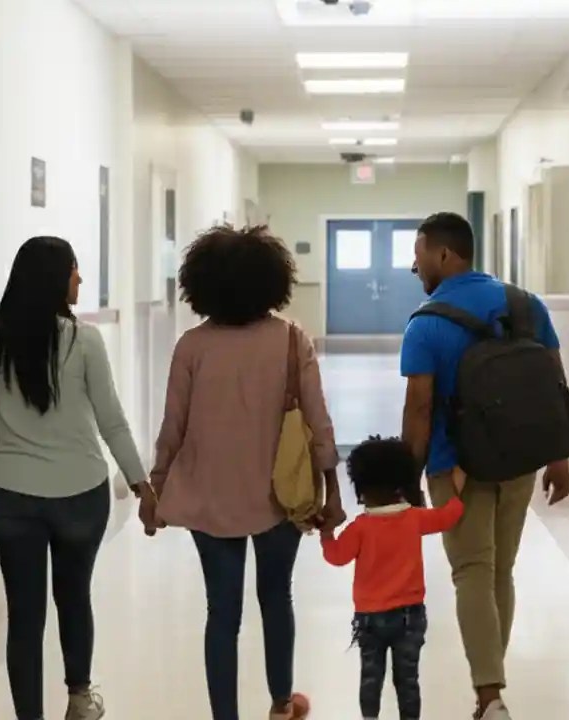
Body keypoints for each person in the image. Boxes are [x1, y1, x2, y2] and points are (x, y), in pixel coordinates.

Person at [147, 224, 344, 720]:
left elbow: (173, 424)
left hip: (208, 494)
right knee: (277, 597)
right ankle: (282, 703)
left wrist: (157, 484)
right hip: (281, 492)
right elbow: (318, 419)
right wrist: (334, 491)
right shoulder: (291, 339)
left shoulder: (191, 346)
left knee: (222, 613)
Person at [0, 236, 155, 720]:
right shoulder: (84, 340)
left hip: (9, 497)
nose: (80, 279)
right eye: (74, 270)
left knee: (23, 616)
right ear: (56, 278)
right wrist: (140, 482)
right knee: (74, 597)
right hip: (79, 494)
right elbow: (112, 419)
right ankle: (79, 699)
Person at [400, 212, 569, 720]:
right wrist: (558, 456)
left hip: (456, 467)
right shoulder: (525, 304)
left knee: (471, 570)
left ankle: (489, 696)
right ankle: (491, 688)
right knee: (501, 569)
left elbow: (419, 408)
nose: (415, 265)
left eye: (420, 253)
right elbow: (553, 385)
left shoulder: (427, 322)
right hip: (519, 458)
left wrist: (409, 478)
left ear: (445, 255)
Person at [320, 436, 466, 720]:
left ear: (361, 488)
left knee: (370, 680)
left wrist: (326, 533)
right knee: (408, 681)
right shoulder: (414, 518)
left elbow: (336, 556)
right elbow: (448, 516)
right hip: (410, 617)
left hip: (370, 618)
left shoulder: (361, 528)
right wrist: (457, 488)